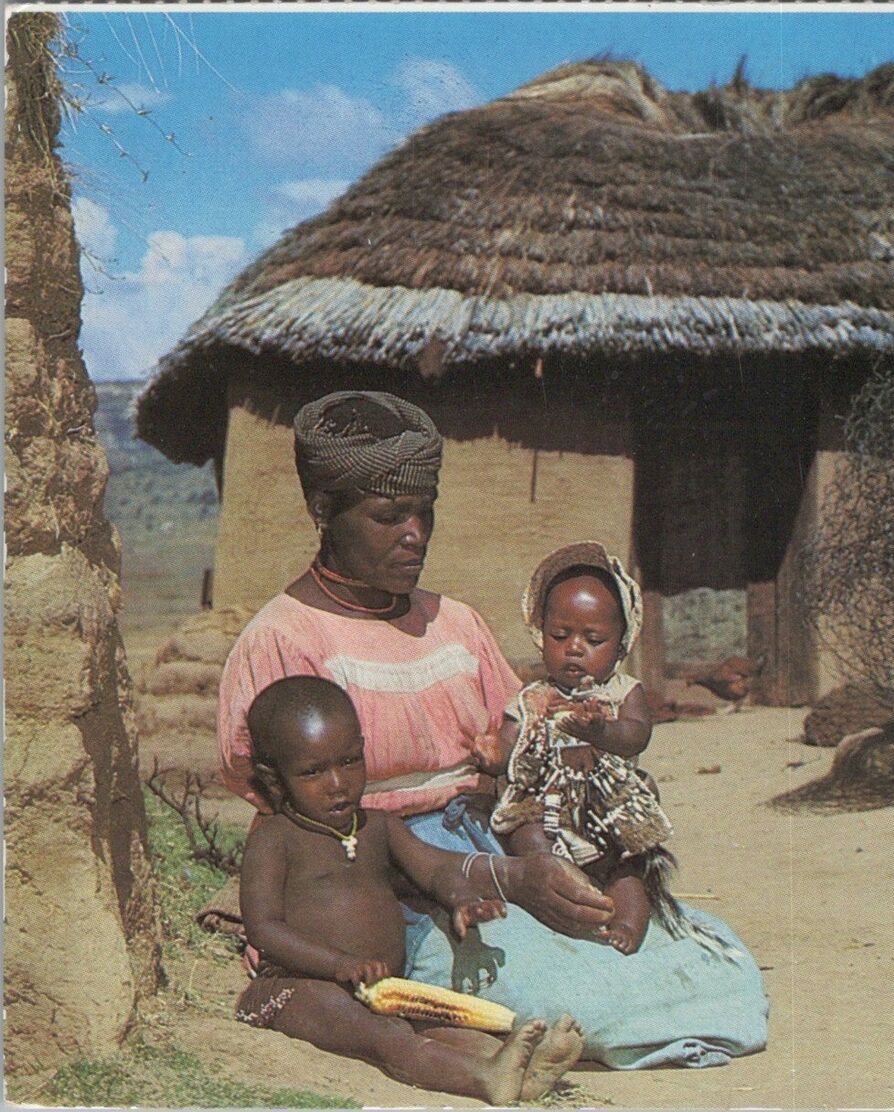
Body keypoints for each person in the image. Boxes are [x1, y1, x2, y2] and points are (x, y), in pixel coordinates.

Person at [218, 390, 768, 1070]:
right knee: (576, 1001)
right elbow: (300, 824)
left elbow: (523, 755)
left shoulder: (455, 623)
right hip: (391, 890)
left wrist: (538, 860)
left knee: (705, 958)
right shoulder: (282, 642)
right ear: (323, 512)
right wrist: (489, 879)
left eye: (425, 512)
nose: (414, 533)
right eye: (389, 516)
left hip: (498, 842)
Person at [235, 675, 583, 1104]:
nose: (338, 782)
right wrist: (338, 963)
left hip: (384, 989)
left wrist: (461, 898)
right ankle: (485, 1079)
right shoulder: (276, 838)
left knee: (444, 1029)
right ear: (275, 777)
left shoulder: (378, 827)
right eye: (312, 772)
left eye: (350, 761)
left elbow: (433, 869)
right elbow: (264, 928)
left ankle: (516, 1068)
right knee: (384, 1037)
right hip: (298, 987)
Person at [484, 543, 693, 957]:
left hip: (605, 808)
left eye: (593, 639)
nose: (575, 647)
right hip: (547, 805)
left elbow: (636, 736)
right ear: (540, 634)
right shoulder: (534, 697)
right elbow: (511, 742)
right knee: (523, 834)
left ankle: (628, 928)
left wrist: (602, 730)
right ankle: (554, 883)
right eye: (560, 636)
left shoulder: (621, 692)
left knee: (626, 870)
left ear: (620, 645)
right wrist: (495, 755)